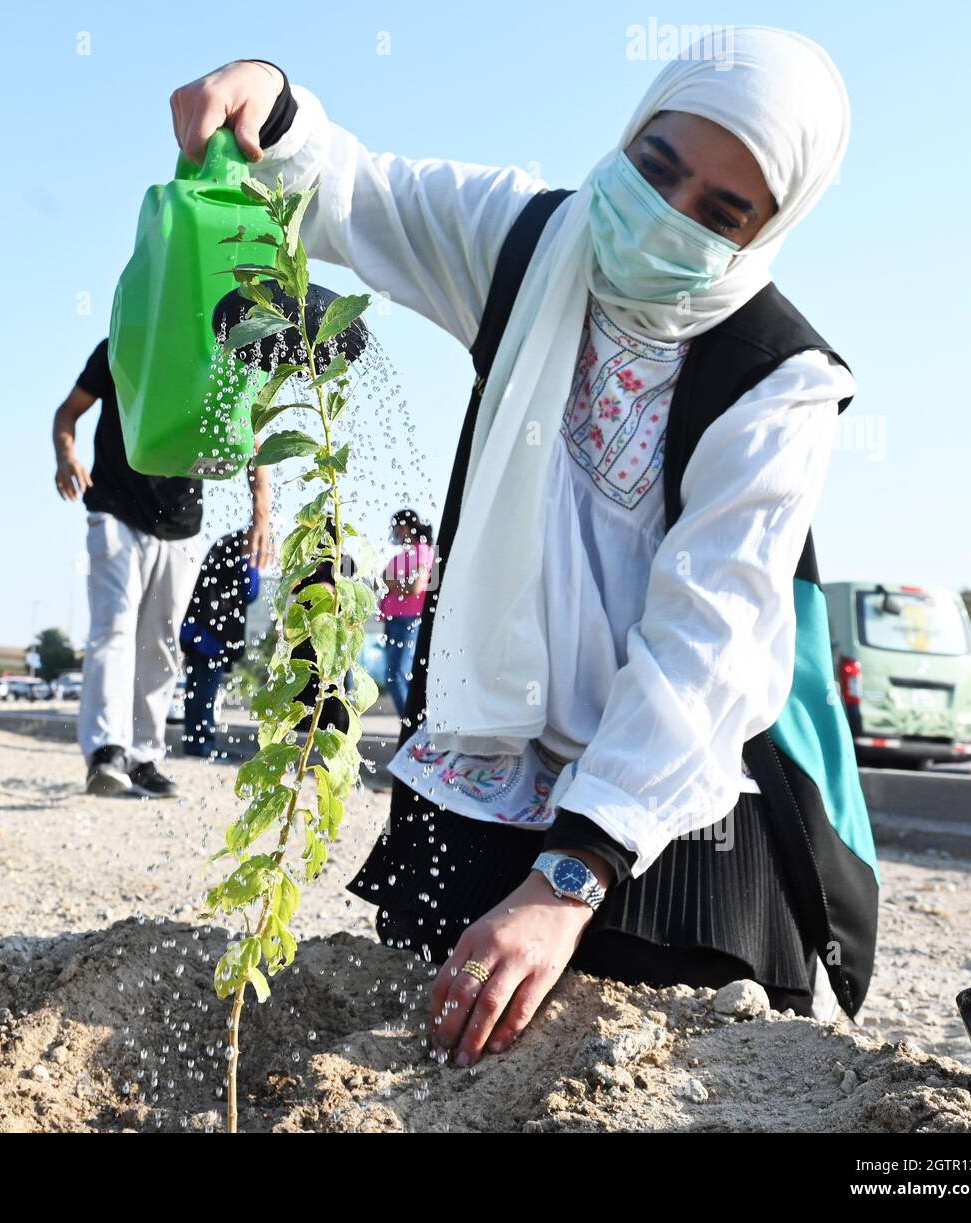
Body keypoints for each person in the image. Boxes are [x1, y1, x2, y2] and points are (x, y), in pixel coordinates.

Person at [169, 34, 880, 1068]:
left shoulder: (777, 382)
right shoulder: (530, 240)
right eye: (656, 166)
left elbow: (703, 642)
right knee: (432, 1047)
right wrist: (267, 99)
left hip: (665, 816)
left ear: (772, 227)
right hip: (488, 774)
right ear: (632, 131)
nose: (669, 213)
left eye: (722, 212)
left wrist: (565, 884)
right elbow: (351, 192)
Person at [53, 338, 274, 797]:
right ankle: (105, 752)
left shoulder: (218, 354)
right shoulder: (121, 345)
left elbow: (253, 437)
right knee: (114, 626)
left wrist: (262, 516)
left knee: (161, 640)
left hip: (180, 521)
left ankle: (144, 757)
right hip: (114, 508)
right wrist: (66, 455)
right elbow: (68, 412)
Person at [180, 528, 261, 758]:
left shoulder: (224, 542)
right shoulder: (246, 547)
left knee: (194, 688)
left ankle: (193, 742)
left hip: (197, 626)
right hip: (213, 633)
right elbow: (250, 591)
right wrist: (254, 562)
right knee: (206, 690)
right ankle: (202, 744)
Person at [379, 509, 434, 717]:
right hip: (394, 620)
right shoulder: (404, 555)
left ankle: (413, 728)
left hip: (409, 621)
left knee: (397, 676)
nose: (394, 532)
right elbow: (381, 583)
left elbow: (416, 587)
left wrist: (392, 583)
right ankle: (411, 725)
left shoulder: (424, 551)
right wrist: (394, 583)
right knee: (395, 675)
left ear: (403, 527)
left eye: (395, 527)